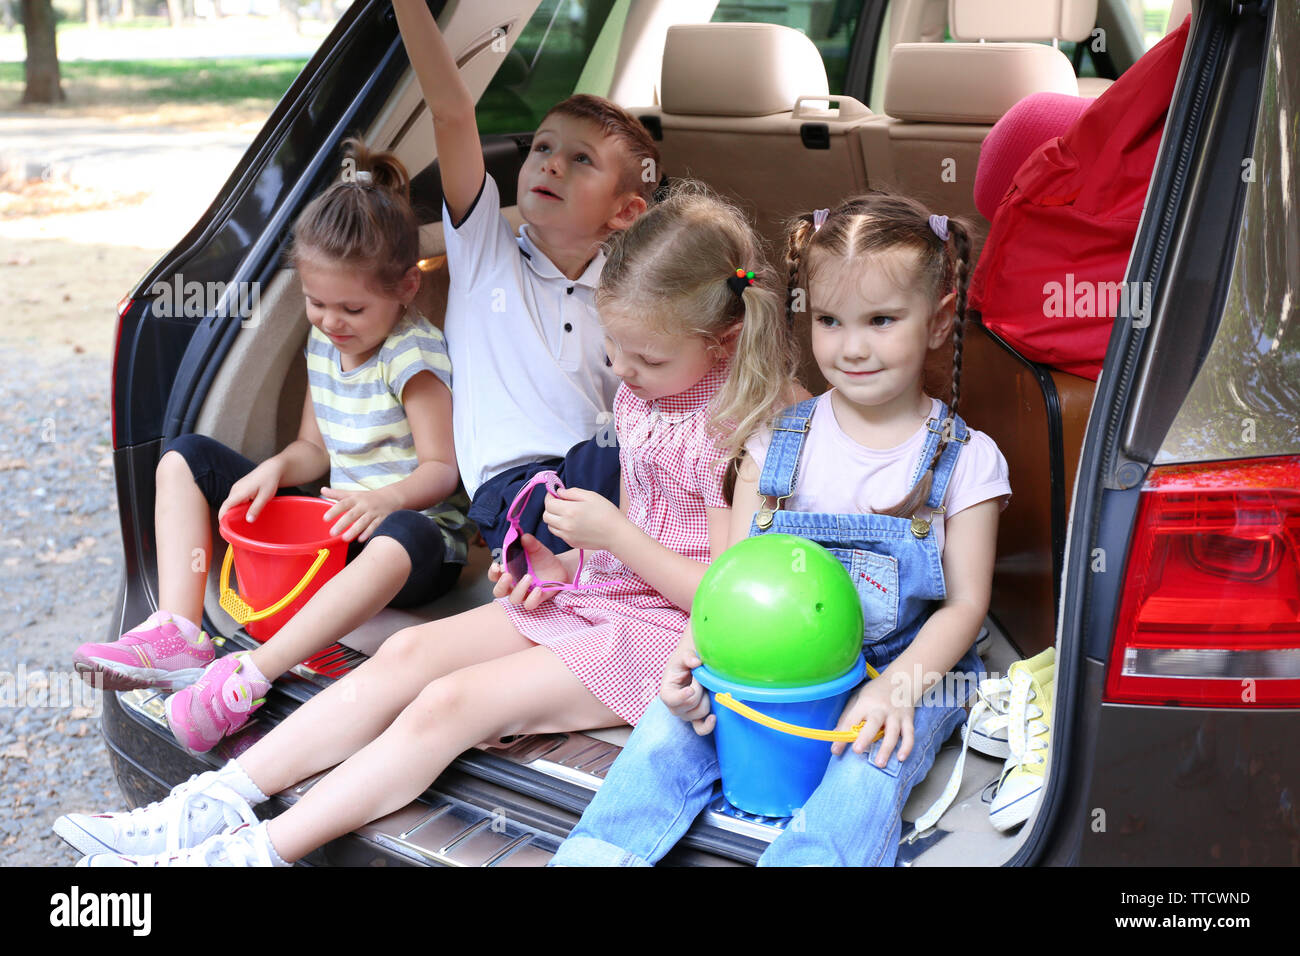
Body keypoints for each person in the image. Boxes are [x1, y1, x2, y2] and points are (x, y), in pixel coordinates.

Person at [54, 186, 801, 867]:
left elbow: (719, 598)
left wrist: (611, 537)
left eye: (645, 357)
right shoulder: (648, 398)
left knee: (450, 704)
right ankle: (208, 804)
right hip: (613, 597)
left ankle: (253, 854)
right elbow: (642, 542)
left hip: (672, 642)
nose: (622, 371)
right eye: (615, 351)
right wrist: (564, 567)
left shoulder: (740, 433)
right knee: (409, 651)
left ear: (723, 339)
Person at [551, 192, 1012, 867]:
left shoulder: (966, 459)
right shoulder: (774, 439)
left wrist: (895, 689)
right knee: (664, 735)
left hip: (908, 664)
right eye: (829, 320)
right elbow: (733, 575)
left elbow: (967, 605)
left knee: (865, 771)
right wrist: (695, 649)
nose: (852, 347)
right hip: (765, 661)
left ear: (939, 321)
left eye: (881, 320)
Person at [70, 139, 471, 753]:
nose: (333, 322)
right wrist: (279, 467)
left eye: (352, 308)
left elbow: (444, 467)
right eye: (316, 303)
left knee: (407, 535)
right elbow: (315, 448)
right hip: (334, 523)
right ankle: (181, 634)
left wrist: (386, 499)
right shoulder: (324, 345)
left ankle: (253, 676)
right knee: (184, 455)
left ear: (407, 288)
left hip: (412, 538)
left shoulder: (413, 357)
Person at [392, 0, 660, 556]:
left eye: (581, 159)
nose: (551, 164)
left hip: (603, 488)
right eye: (542, 147)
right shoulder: (483, 253)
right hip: (517, 494)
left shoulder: (628, 296)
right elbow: (451, 113)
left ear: (626, 212)